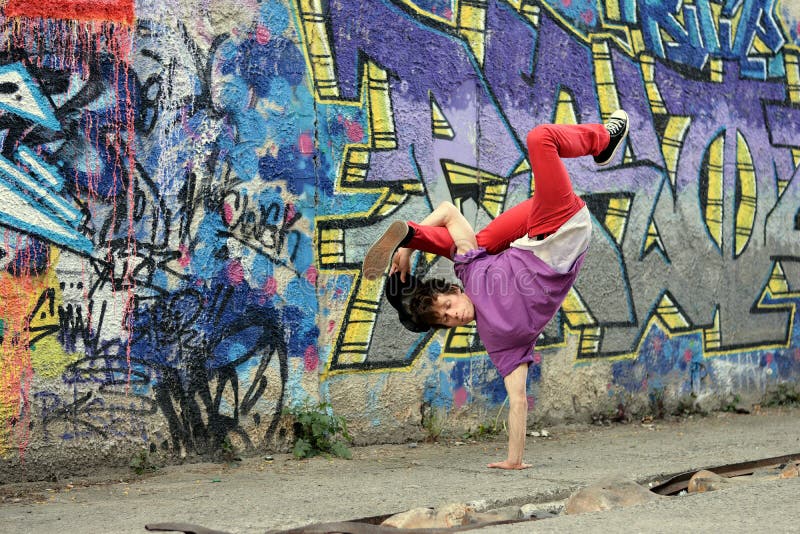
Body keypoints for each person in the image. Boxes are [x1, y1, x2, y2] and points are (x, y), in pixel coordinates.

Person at [362, 111, 630, 469]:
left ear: (454, 291)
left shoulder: (469, 272)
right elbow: (517, 399)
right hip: (567, 229)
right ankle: (604, 140)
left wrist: (408, 249)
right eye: (445, 319)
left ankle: (410, 234)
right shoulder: (498, 338)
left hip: (537, 223)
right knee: (539, 141)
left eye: (447, 305)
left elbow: (446, 210)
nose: (452, 315)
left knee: (473, 242)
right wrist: (514, 460)